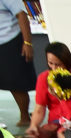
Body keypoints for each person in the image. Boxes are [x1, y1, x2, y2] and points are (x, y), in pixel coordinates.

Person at [0, 0, 35, 128]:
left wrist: (27, 43)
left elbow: (21, 14)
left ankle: (25, 116)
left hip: (10, 40)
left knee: (16, 82)